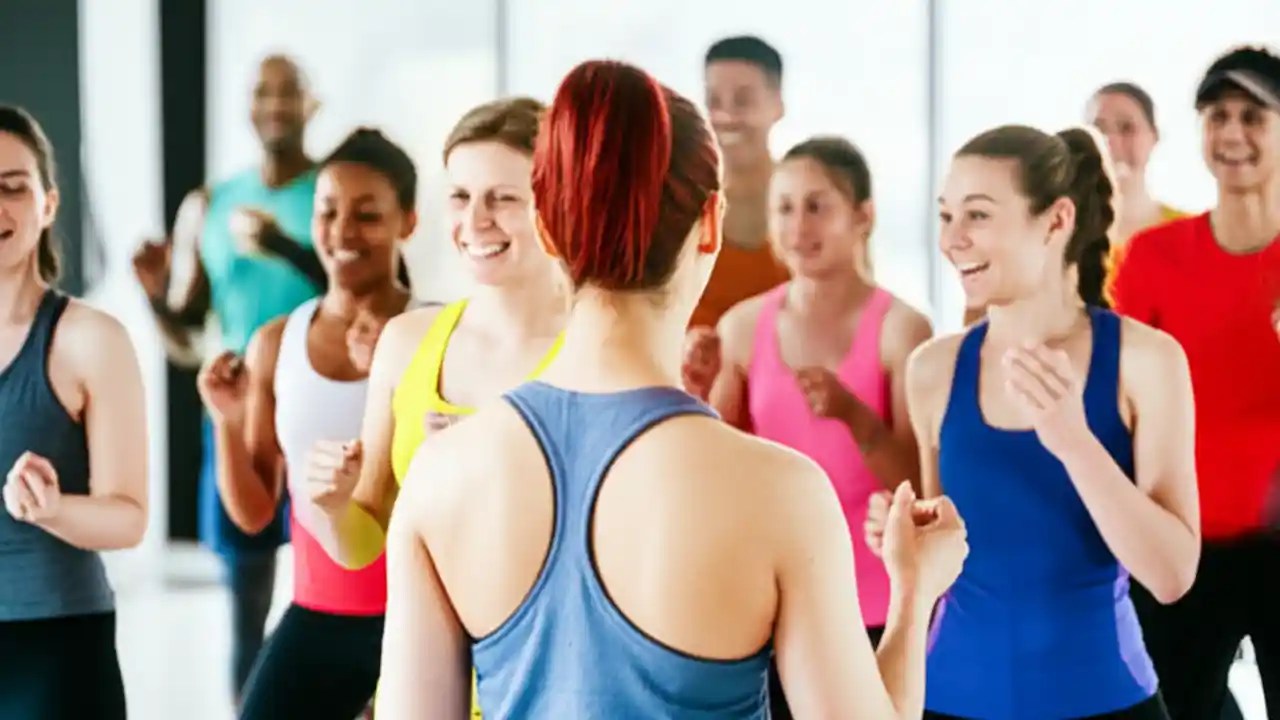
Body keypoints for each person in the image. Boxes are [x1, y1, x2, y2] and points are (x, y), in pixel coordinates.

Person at [375, 58, 968, 719]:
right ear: (710, 224)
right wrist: (915, 596)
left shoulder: (441, 477)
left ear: (546, 229)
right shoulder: (780, 491)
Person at [868, 124, 1201, 719]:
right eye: (946, 217)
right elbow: (947, 556)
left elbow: (1172, 574)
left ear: (1055, 220)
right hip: (950, 702)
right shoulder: (932, 370)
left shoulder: (1146, 361)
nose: (952, 240)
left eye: (977, 216)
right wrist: (906, 546)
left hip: (1107, 703)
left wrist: (1075, 443)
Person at [310, 97, 565, 718]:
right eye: (460, 196)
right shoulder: (407, 342)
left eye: (503, 198)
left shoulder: (595, 346)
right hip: (423, 688)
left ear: (559, 202)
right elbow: (365, 541)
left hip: (555, 687)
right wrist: (335, 504)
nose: (475, 221)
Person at [685, 136, 932, 719]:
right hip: (768, 596)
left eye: (817, 206)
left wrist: (857, 418)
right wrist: (692, 395)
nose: (798, 225)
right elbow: (716, 464)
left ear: (863, 217)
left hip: (874, 600)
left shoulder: (903, 329)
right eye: (785, 207)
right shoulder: (742, 327)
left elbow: (920, 488)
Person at [196, 128, 417, 719]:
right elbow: (255, 514)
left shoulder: (436, 332)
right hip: (316, 614)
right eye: (328, 211)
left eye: (367, 214)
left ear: (408, 222)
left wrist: (393, 374)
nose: (343, 232)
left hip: (416, 620)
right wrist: (227, 420)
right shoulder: (275, 343)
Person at [131, 54, 322, 703]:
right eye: (262, 91)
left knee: (332, 596)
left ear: (310, 104)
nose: (274, 105)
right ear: (248, 106)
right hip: (241, 416)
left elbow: (377, 292)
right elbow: (189, 336)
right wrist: (158, 297)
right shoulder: (210, 203)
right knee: (246, 600)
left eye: (288, 92)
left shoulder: (336, 194)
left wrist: (287, 248)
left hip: (322, 410)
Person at [1112, 46, 1280, 720]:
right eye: (1217, 115)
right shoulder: (1153, 257)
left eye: (1252, 115)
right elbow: (1118, 399)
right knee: (1176, 710)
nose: (1232, 132)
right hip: (1184, 547)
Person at [0, 105, 148, 719]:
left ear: (48, 204)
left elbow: (129, 518)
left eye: (13, 188)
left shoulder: (90, 340)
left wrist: (54, 509)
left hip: (54, 645)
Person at [694, 35, 792, 329]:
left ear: (777, 105)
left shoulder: (815, 202)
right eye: (714, 101)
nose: (726, 116)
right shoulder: (682, 203)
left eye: (743, 100)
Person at [1086, 82, 1190, 306]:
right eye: (1099, 129)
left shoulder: (1190, 234)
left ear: (1154, 136)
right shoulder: (1061, 236)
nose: (1111, 141)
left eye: (1127, 128)